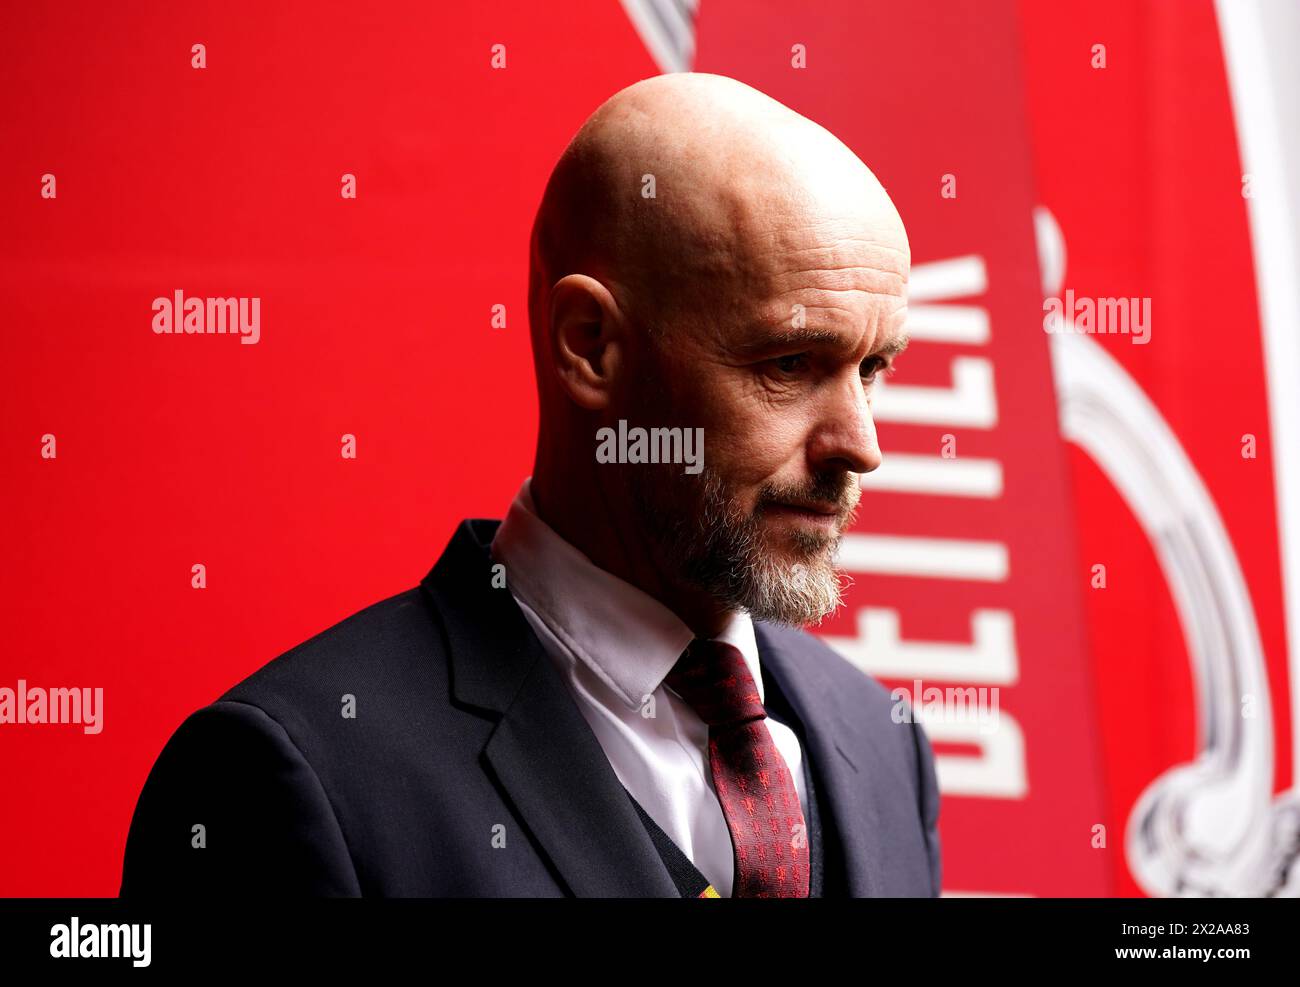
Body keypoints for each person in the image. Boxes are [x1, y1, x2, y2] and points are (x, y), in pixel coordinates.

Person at [119, 71, 939, 897]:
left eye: (872, 368)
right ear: (589, 345)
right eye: (789, 365)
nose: (860, 445)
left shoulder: (882, 745)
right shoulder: (288, 780)